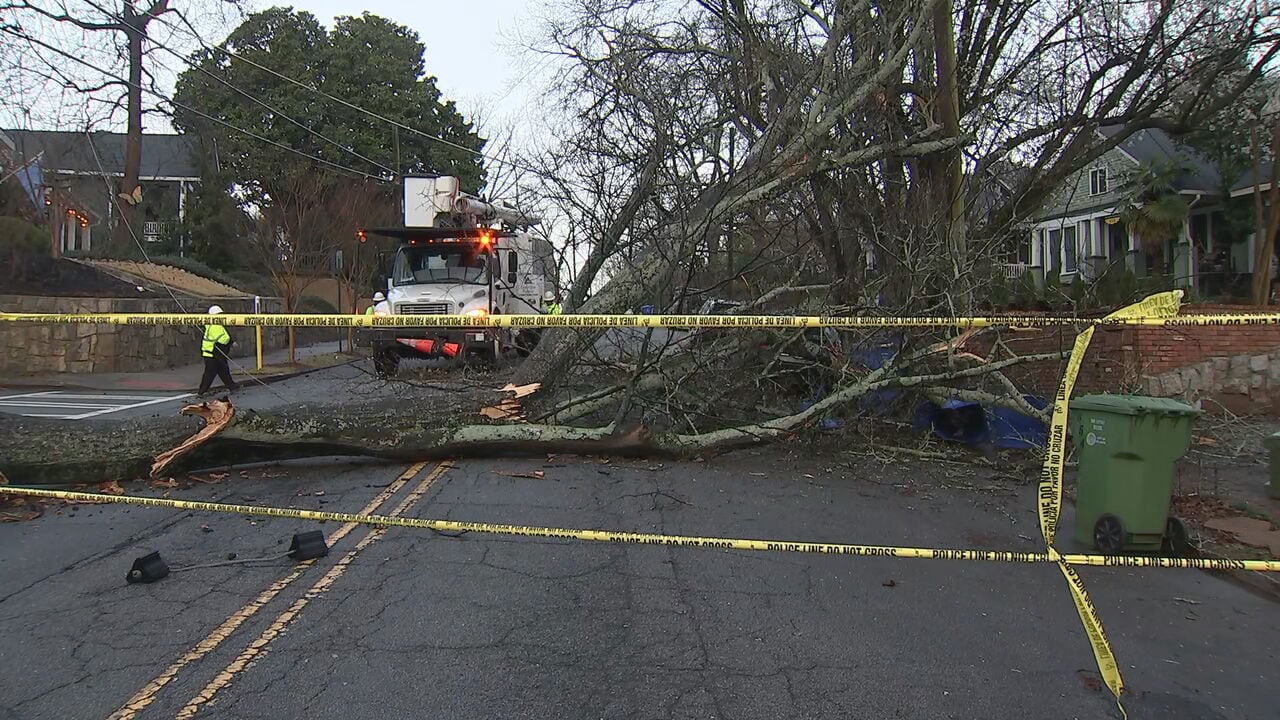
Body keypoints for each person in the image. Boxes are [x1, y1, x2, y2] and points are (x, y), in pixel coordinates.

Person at [198, 305, 238, 396]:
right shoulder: (215, 326)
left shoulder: (211, 324)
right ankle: (202, 391)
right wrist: (231, 343)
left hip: (213, 353)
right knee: (209, 374)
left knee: (223, 371)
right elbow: (224, 339)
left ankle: (232, 386)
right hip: (213, 354)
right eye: (219, 314)